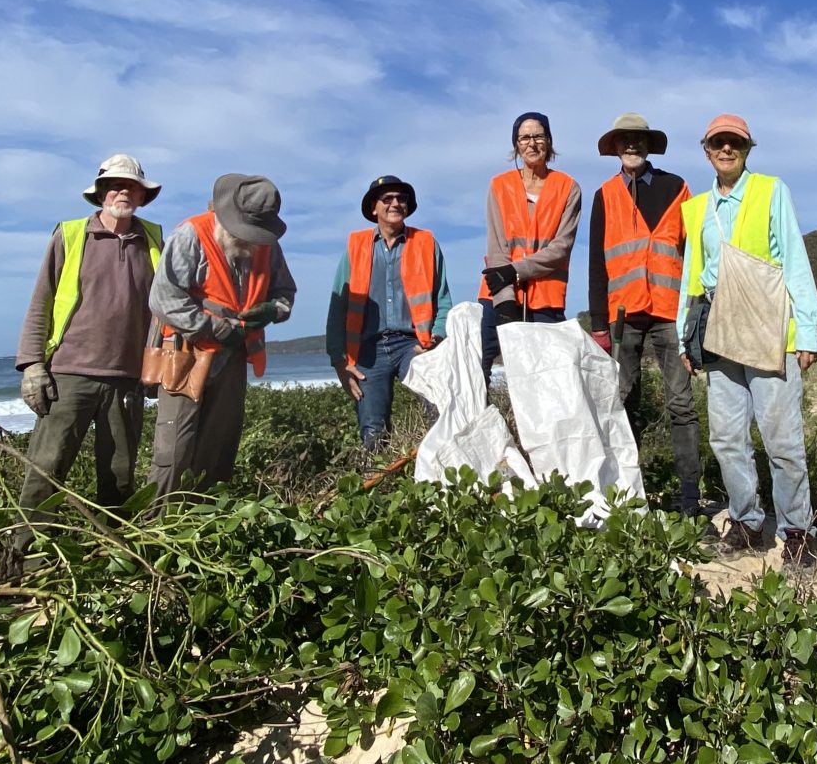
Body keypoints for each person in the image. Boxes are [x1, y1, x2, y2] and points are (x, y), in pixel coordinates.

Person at [678, 115, 817, 573]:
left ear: (747, 149)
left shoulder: (770, 190)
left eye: (735, 143)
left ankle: (798, 532)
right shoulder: (696, 209)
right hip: (719, 327)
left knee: (782, 438)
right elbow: (692, 276)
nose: (727, 149)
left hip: (768, 325)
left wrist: (807, 330)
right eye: (718, 143)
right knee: (726, 437)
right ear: (706, 150)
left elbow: (794, 260)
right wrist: (685, 335)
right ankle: (746, 523)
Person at [9, 154, 164, 564]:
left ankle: (114, 558)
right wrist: (32, 365)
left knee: (119, 476)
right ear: (100, 194)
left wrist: (158, 368)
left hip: (127, 378)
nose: (122, 192)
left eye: (131, 187)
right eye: (114, 186)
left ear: (142, 196)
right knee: (47, 468)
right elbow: (41, 300)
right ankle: (24, 557)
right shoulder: (71, 234)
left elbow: (164, 313)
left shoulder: (154, 241)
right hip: (68, 373)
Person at [145, 173, 296, 499]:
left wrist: (273, 310)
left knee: (220, 446)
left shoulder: (268, 244)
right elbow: (164, 299)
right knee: (174, 450)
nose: (248, 239)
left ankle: (207, 516)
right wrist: (212, 327)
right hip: (186, 355)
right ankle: (154, 521)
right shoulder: (190, 234)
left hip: (234, 357)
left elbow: (285, 293)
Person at [587, 112, 702, 517]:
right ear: (615, 148)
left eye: (639, 139)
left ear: (649, 145)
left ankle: (690, 498)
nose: (631, 145)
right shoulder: (604, 195)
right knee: (621, 403)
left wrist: (695, 313)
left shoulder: (677, 187)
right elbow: (597, 263)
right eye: (624, 139)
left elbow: (695, 252)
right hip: (622, 314)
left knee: (681, 405)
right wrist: (598, 325)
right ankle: (628, 494)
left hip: (671, 313)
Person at [327, 174, 452, 448]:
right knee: (373, 432)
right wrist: (339, 361)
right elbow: (338, 307)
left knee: (440, 412)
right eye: (387, 199)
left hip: (414, 345)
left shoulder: (426, 242)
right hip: (368, 350)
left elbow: (443, 299)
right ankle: (379, 475)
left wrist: (436, 339)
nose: (395, 203)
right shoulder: (356, 246)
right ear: (374, 208)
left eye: (401, 198)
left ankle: (443, 472)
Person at [478, 111, 581, 376]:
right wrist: (505, 302)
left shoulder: (568, 187)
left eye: (538, 136)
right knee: (480, 364)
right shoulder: (499, 185)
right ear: (516, 144)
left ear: (549, 141)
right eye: (524, 138)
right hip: (499, 291)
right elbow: (497, 246)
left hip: (546, 297)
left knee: (545, 374)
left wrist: (515, 271)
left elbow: (561, 248)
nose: (532, 144)